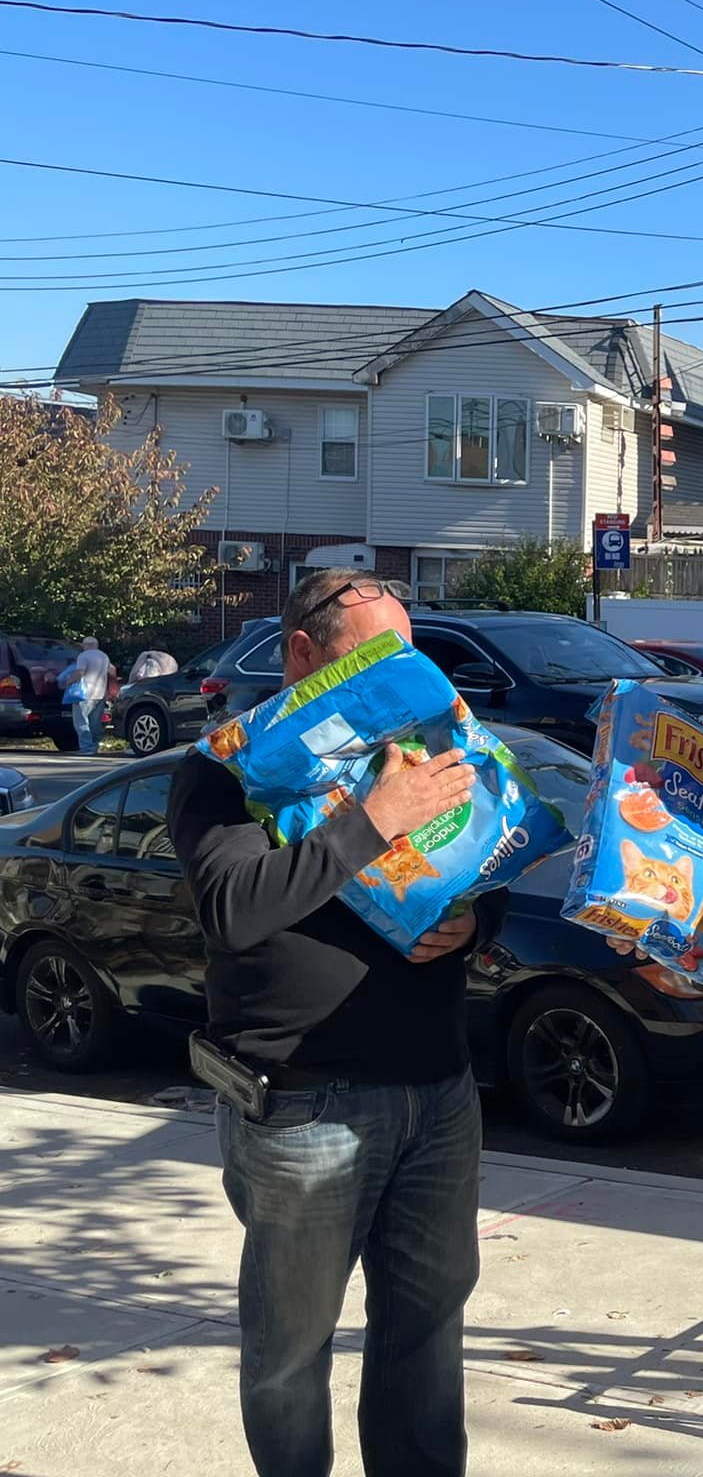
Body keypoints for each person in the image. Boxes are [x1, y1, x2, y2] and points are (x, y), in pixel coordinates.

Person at [167, 569, 505, 1477]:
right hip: (304, 1107)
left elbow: (484, 864)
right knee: (291, 1351)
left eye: (410, 655)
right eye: (377, 658)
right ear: (302, 655)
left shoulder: (415, 750)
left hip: (438, 1091)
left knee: (427, 1332)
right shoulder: (230, 765)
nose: (402, 678)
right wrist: (371, 821)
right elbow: (234, 907)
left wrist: (478, 923)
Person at [57, 635, 111, 754]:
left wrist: (69, 681)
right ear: (96, 645)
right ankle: (94, 747)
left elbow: (80, 672)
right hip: (100, 693)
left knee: (81, 722)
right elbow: (110, 672)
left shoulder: (83, 656)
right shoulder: (104, 656)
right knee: (95, 723)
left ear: (85, 645)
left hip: (84, 694)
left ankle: (86, 747)